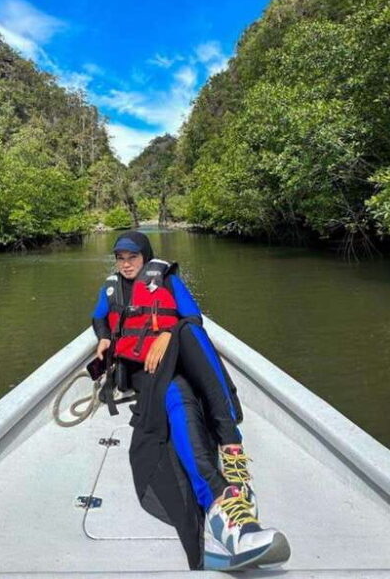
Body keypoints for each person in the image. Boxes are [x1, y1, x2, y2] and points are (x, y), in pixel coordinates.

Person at [91, 230, 290, 571]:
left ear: (145, 257)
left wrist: (166, 334)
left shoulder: (166, 280)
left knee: (186, 332)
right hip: (143, 372)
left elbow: (192, 316)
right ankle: (224, 500)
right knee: (180, 396)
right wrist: (106, 339)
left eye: (133, 258)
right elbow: (99, 319)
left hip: (174, 358)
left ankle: (229, 453)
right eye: (121, 259)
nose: (126, 265)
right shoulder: (110, 289)